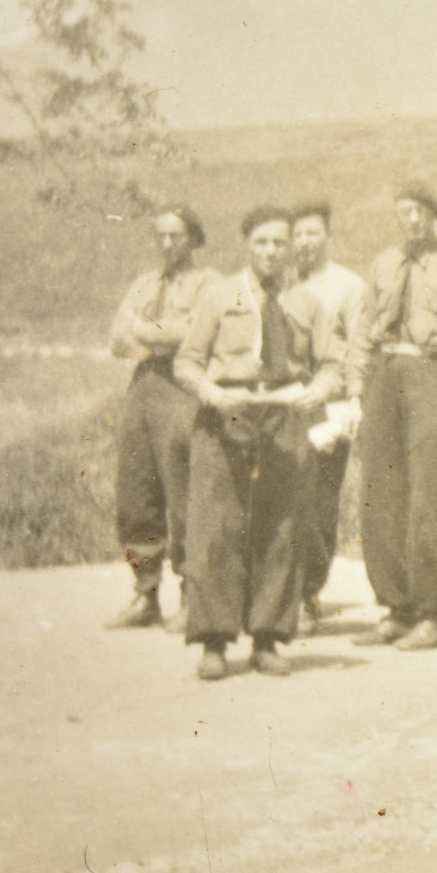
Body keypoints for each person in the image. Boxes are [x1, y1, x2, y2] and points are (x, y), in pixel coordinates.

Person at [175, 207, 342, 680]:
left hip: (284, 416)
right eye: (262, 243)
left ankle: (268, 639)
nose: (271, 252)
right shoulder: (219, 296)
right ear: (248, 245)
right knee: (217, 530)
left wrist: (321, 389)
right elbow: (187, 361)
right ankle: (214, 641)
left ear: (292, 248)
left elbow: (331, 363)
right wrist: (210, 392)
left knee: (281, 528)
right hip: (226, 414)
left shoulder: (308, 302)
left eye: (280, 244)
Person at [340, 184, 437, 652]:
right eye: (402, 211)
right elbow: (363, 330)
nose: (410, 220)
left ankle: (435, 609)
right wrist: (353, 392)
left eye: (418, 211)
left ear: (434, 215)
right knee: (381, 493)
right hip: (385, 376)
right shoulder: (384, 263)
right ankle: (397, 604)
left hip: (436, 373)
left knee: (432, 492)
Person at [104, 207, 215, 631]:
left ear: (194, 238)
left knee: (184, 490)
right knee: (135, 491)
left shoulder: (210, 284)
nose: (168, 244)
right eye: (161, 236)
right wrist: (163, 333)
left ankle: (193, 594)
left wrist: (145, 329)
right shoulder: (143, 283)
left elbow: (197, 333)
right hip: (143, 387)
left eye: (177, 236)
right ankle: (145, 591)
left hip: (182, 391)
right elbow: (117, 340)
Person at [287, 202, 364, 625]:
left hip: (329, 400)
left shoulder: (349, 286)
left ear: (327, 237)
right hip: (286, 403)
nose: (303, 243)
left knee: (320, 499)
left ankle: (309, 591)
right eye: (297, 235)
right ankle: (282, 590)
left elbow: (357, 347)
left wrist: (352, 401)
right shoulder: (281, 284)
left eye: (311, 234)